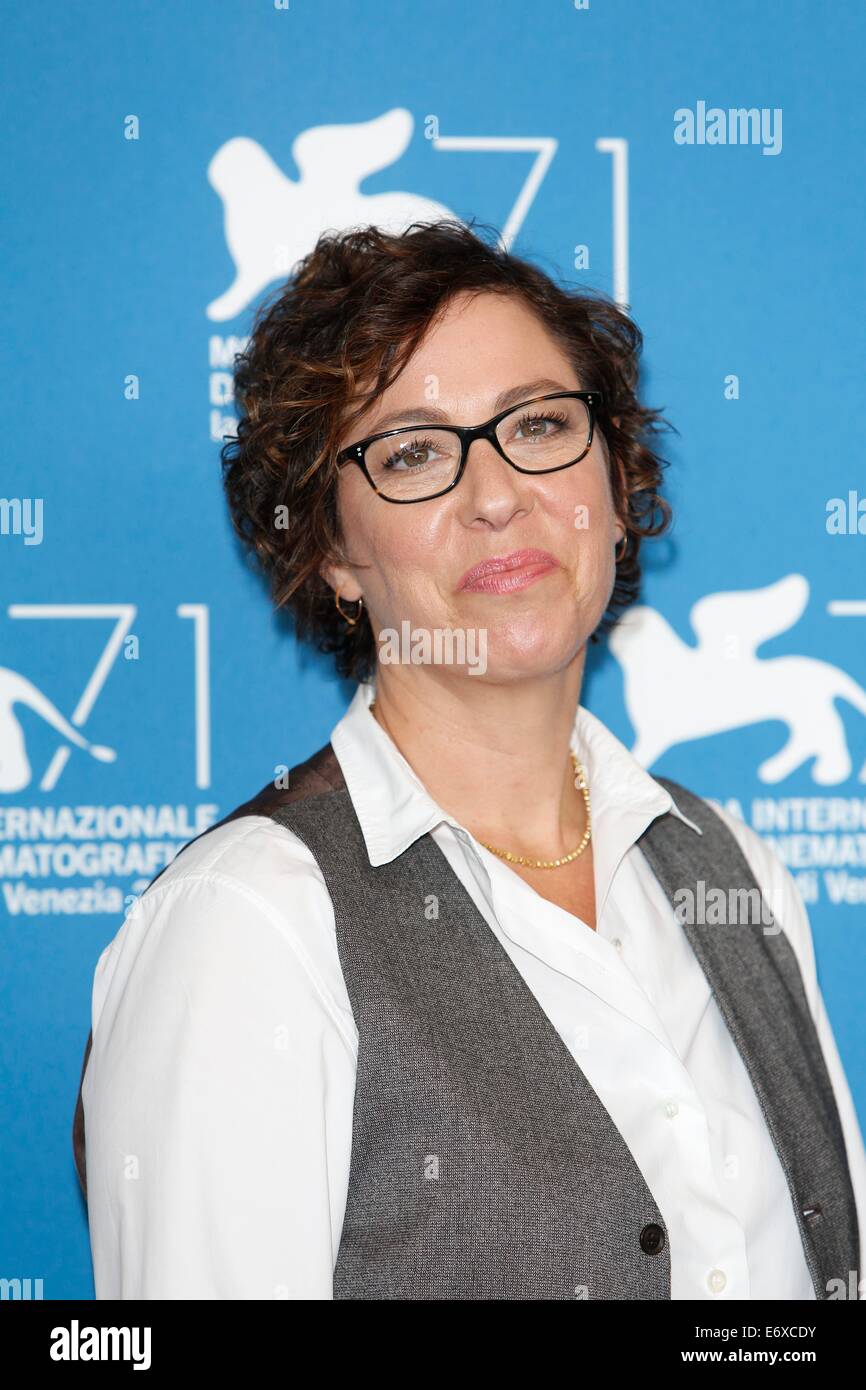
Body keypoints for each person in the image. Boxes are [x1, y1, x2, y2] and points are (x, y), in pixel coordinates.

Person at [73, 219, 865, 1300]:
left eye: (538, 425)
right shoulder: (251, 922)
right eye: (411, 452)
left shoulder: (731, 869)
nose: (495, 495)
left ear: (614, 483)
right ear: (333, 553)